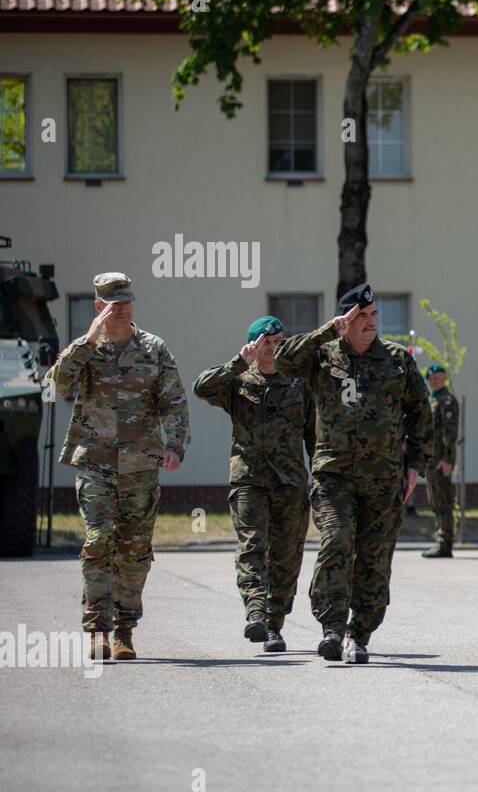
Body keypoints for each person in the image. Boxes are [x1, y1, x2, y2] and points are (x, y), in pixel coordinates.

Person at [273, 283, 434, 664]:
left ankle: (358, 634)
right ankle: (331, 627)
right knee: (337, 540)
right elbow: (282, 359)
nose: (370, 322)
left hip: (385, 479)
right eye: (361, 316)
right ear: (345, 320)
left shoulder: (397, 360)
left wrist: (415, 467)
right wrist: (329, 330)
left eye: (374, 314)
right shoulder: (322, 357)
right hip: (334, 477)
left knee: (375, 558)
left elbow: (421, 414)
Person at [47, 273, 188, 662]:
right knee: (98, 542)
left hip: (141, 466)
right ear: (99, 307)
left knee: (135, 550)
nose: (123, 308)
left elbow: (174, 402)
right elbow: (57, 386)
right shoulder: (87, 349)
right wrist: (88, 339)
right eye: (114, 303)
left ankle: (125, 629)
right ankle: (97, 630)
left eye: (127, 301)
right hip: (95, 462)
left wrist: (175, 446)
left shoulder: (154, 349)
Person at [194, 315, 314, 652]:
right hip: (249, 480)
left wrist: (319, 477)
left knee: (286, 556)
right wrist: (239, 361)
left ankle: (275, 625)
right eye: (267, 342)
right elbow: (202, 387)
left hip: (291, 483)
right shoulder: (238, 381)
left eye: (279, 342)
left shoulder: (298, 383)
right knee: (252, 546)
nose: (274, 348)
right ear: (254, 345)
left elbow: (314, 435)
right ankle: (256, 612)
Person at [421, 363, 459, 558]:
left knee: (443, 500)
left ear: (444, 378)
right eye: (431, 378)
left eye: (438, 377)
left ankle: (445, 542)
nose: (434, 381)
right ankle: (441, 538)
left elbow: (449, 434)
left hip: (440, 460)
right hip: (431, 459)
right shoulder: (432, 399)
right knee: (435, 500)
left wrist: (448, 459)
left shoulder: (446, 401)